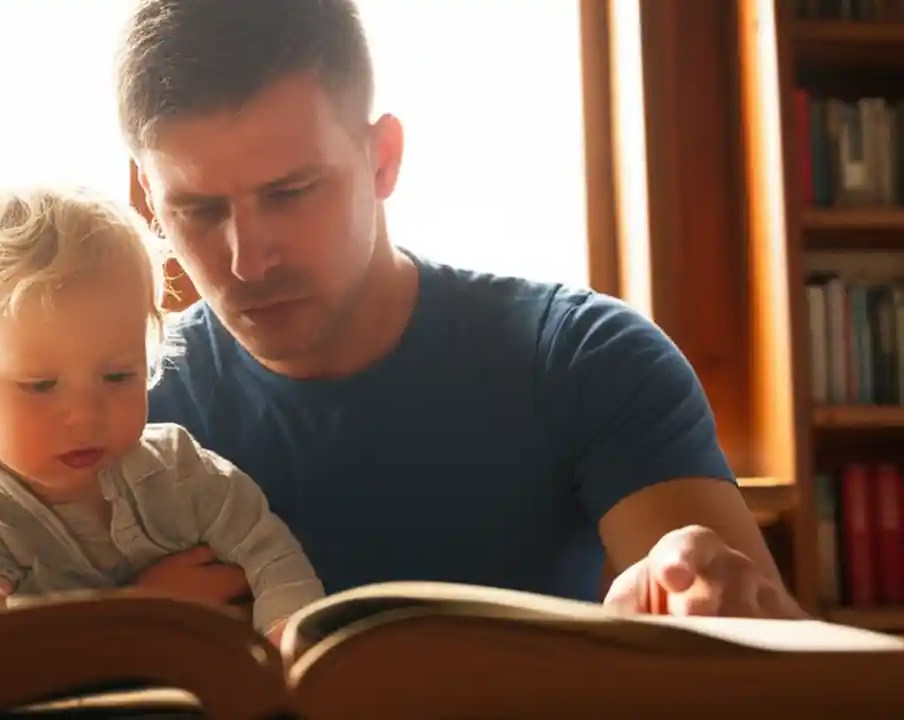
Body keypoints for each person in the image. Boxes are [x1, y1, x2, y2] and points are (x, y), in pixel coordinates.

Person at [118, 0, 805, 619]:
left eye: (292, 192)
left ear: (382, 158)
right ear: (147, 198)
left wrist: (722, 611)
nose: (248, 260)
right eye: (200, 210)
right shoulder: (111, 406)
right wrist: (104, 631)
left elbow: (789, 677)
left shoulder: (584, 359)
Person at [0, 187, 323, 643]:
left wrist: (290, 636)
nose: (85, 415)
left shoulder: (178, 468)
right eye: (40, 386)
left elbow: (271, 553)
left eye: (118, 376)